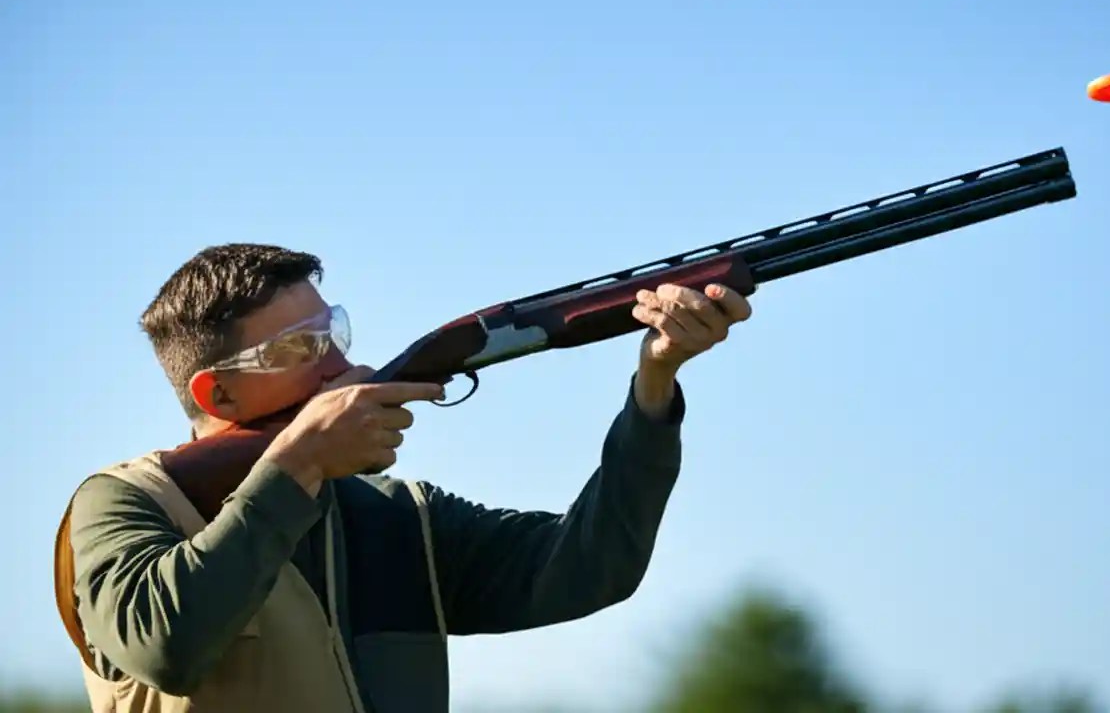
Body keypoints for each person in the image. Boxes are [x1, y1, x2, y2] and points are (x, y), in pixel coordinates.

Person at [56, 243, 752, 713]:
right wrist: (298, 462)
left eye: (333, 332)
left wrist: (654, 386)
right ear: (219, 398)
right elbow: (165, 645)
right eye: (300, 348)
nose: (336, 364)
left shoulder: (398, 516)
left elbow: (592, 565)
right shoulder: (123, 502)